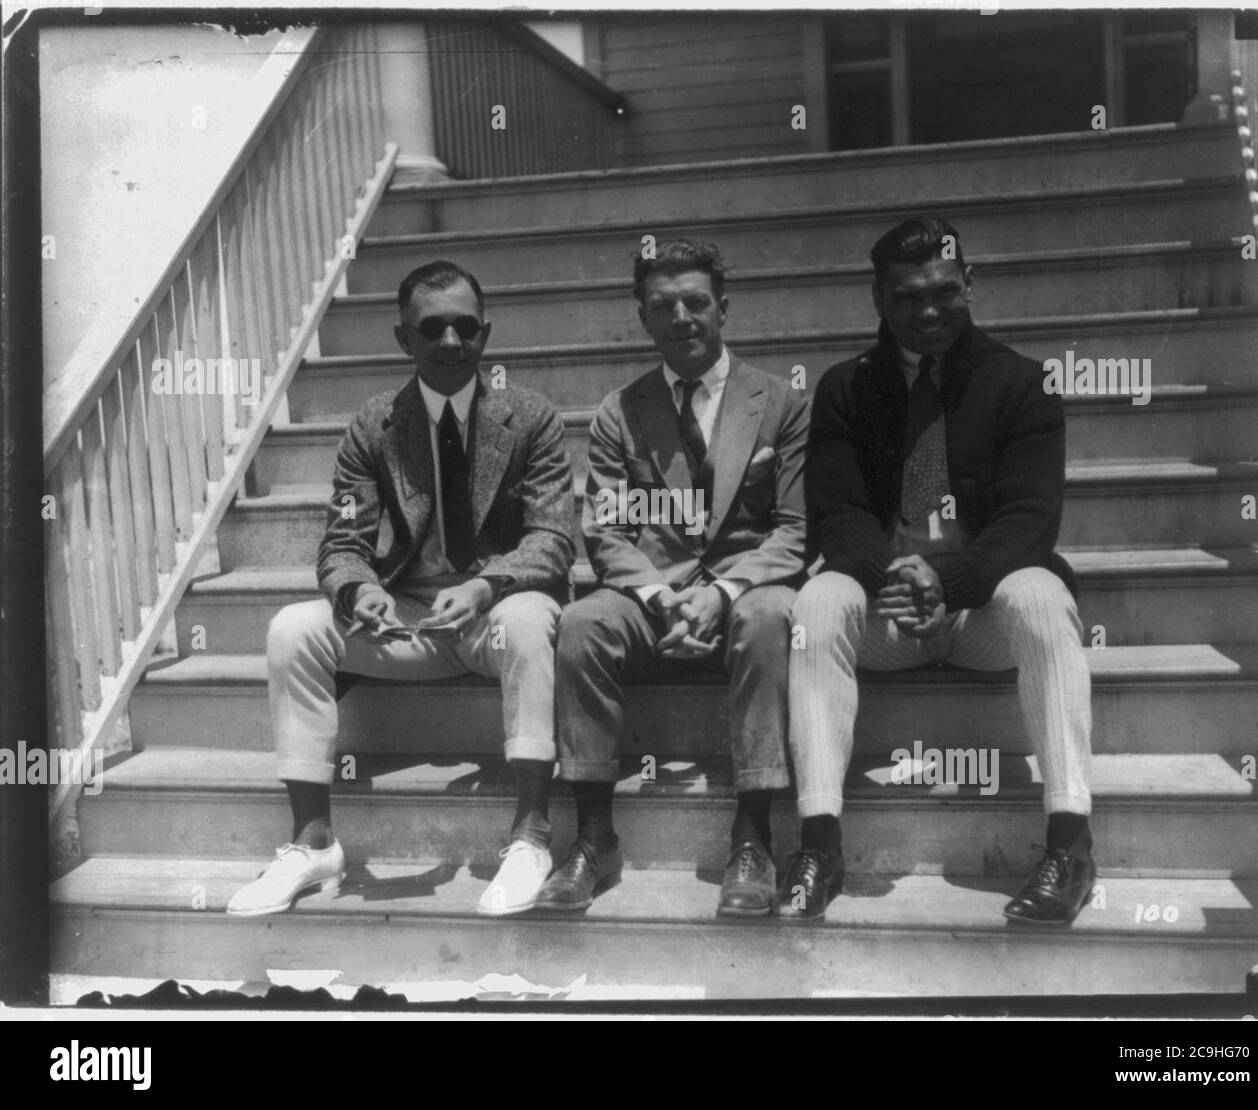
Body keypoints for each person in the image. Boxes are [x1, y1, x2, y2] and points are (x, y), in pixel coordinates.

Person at [227, 260, 575, 918]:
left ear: (487, 334)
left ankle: (530, 837)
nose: (451, 342)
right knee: (292, 630)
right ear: (402, 339)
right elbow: (342, 542)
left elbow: (553, 540)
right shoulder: (374, 426)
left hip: (492, 614)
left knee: (531, 621)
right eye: (433, 327)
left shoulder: (531, 419)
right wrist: (360, 593)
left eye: (465, 327)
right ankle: (312, 843)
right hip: (407, 620)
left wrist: (484, 586)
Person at [783, 216, 1095, 923]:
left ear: (970, 284)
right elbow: (838, 513)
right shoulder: (844, 388)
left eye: (944, 292)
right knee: (818, 603)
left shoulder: (1023, 383)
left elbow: (1030, 519)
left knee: (1042, 591)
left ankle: (1071, 844)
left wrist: (948, 581)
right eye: (906, 298)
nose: (927, 312)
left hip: (982, 615)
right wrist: (902, 574)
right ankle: (820, 843)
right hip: (890, 614)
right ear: (877, 298)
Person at [536, 238, 809, 916]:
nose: (681, 317)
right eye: (663, 306)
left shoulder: (781, 403)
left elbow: (795, 529)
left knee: (772, 617)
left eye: (695, 302)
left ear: (724, 308)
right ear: (643, 317)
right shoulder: (618, 412)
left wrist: (719, 594)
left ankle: (752, 835)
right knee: (581, 622)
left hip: (747, 590)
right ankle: (593, 835)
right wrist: (664, 600)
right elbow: (605, 530)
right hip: (652, 591)